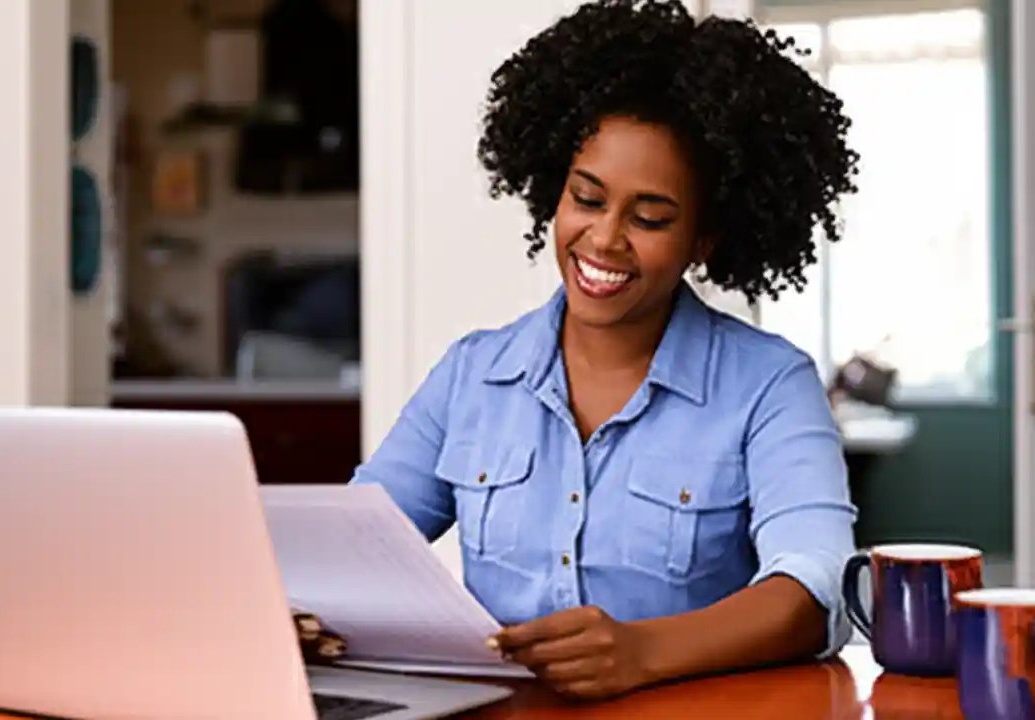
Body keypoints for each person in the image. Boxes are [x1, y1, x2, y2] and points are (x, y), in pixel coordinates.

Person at [351, 0, 860, 700]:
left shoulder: (768, 386)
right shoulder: (471, 375)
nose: (605, 239)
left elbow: (818, 583)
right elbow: (358, 545)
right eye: (586, 199)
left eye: (650, 217)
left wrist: (643, 651)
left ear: (704, 240)